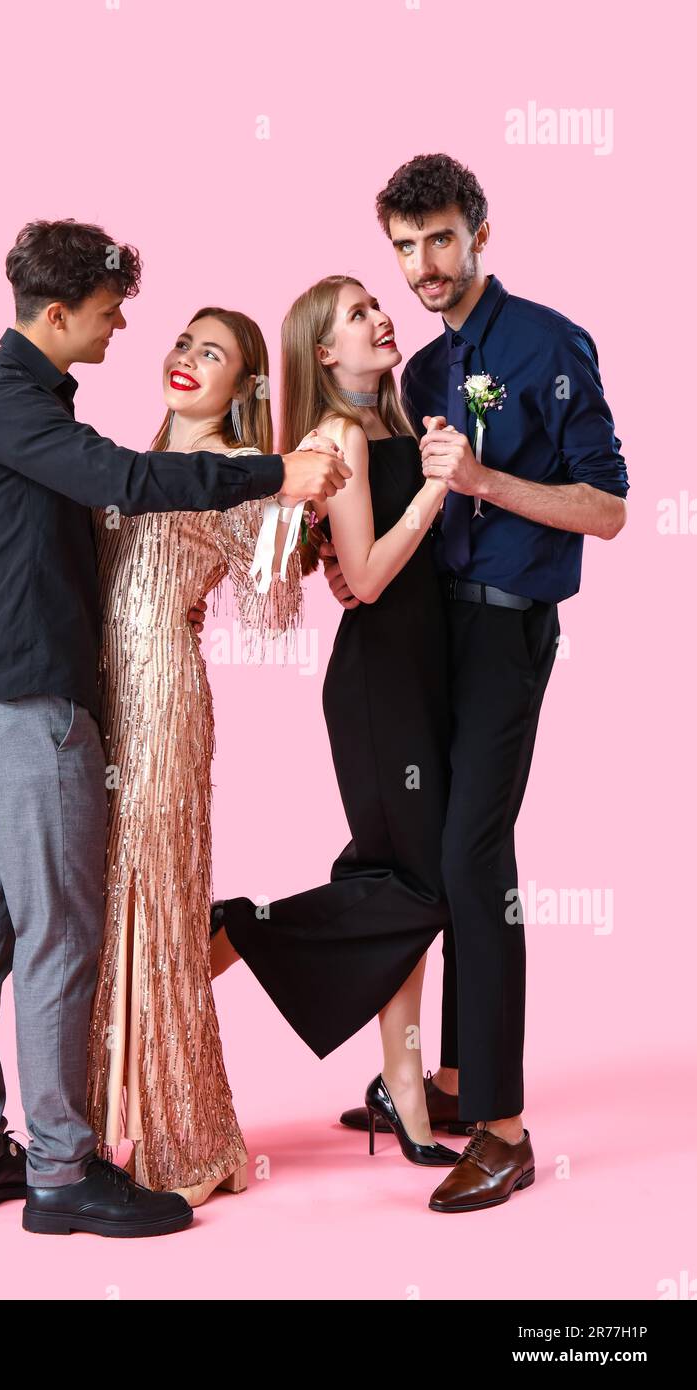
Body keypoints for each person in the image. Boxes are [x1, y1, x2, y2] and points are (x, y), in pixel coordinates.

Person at [0, 218, 348, 1239]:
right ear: (60, 310)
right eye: (117, 312)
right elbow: (127, 481)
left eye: (207, 348)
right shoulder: (16, 402)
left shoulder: (7, 400)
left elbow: (268, 559)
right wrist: (275, 471)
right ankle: (62, 1173)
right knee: (63, 935)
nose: (132, 330)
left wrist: (317, 494)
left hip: (1, 701)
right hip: (31, 710)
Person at [333, 154, 628, 1212]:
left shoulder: (549, 341)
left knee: (473, 854)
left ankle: (501, 1131)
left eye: (440, 240)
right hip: (428, 638)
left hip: (507, 635)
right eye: (404, 247)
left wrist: (488, 482)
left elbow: (605, 508)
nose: (422, 266)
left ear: (479, 232)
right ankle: (452, 1081)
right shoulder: (421, 372)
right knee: (421, 854)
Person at [210, 276, 461, 1168]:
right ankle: (244, 929)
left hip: (421, 674)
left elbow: (350, 565)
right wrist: (437, 493)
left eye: (374, 305)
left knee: (410, 883)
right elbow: (371, 572)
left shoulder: (395, 424)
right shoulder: (341, 434)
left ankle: (404, 1090)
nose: (380, 317)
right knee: (424, 885)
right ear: (325, 354)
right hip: (379, 681)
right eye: (357, 315)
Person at [86, 306, 306, 1208]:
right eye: (183, 341)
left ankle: (185, 1138)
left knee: (156, 903)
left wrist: (299, 496)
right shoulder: (124, 462)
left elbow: (277, 592)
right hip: (100, 709)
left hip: (165, 709)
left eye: (212, 353)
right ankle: (102, 1127)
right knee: (105, 907)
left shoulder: (231, 481)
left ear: (243, 385)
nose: (187, 359)